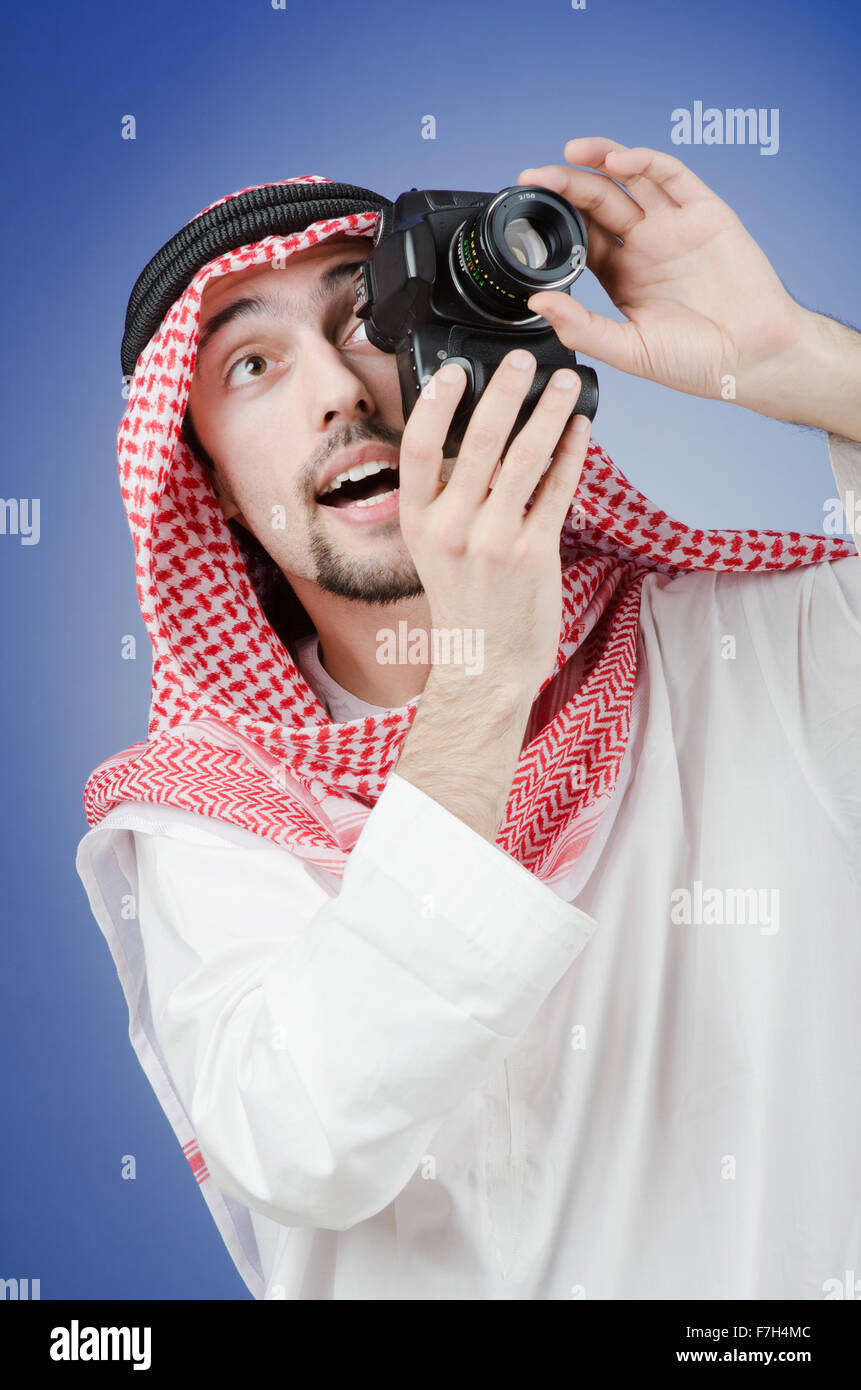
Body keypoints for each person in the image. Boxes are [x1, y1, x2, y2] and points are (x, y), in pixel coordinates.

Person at [76, 139, 861, 1301]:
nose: (339, 389)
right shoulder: (206, 816)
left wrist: (800, 361)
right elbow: (304, 1137)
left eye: (366, 317)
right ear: (211, 486)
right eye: (251, 365)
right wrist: (483, 684)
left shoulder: (749, 658)